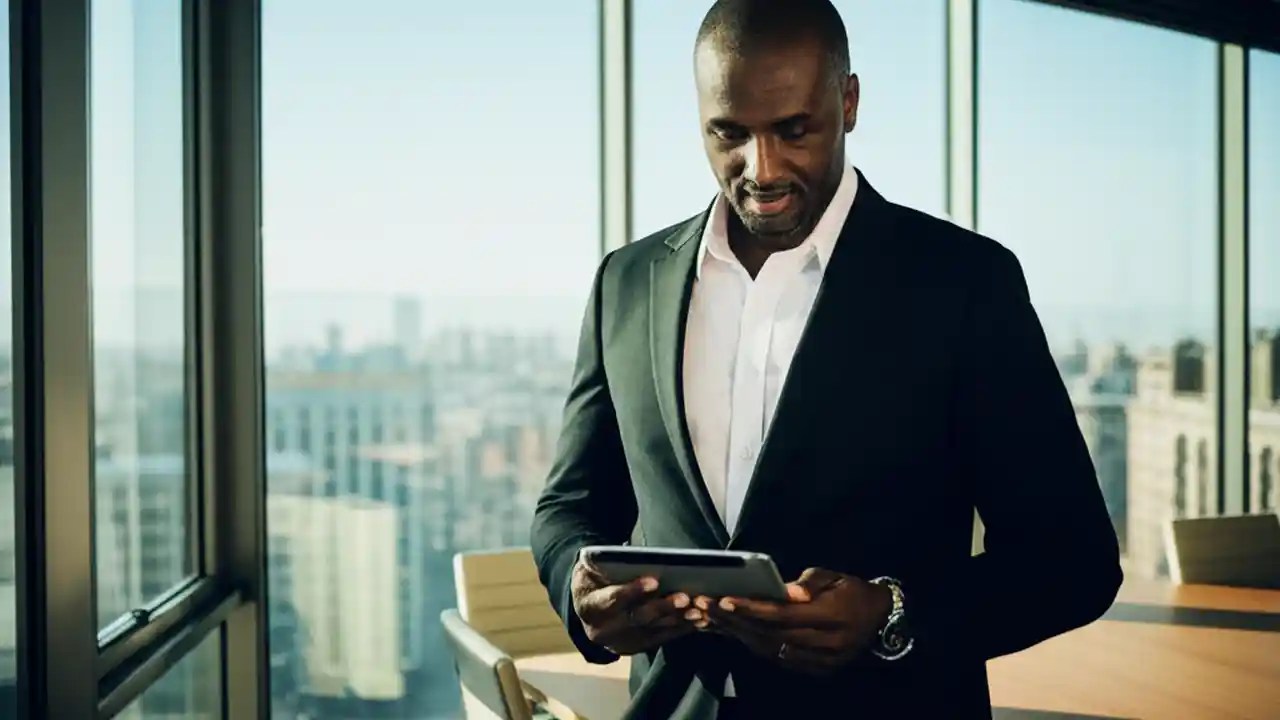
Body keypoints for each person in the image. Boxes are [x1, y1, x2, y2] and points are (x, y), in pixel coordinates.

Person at [530, 0, 1122, 716]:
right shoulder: (626, 282)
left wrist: (891, 614)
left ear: (848, 102)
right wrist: (580, 590)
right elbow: (571, 505)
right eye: (729, 134)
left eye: (793, 130)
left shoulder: (964, 283)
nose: (762, 168)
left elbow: (1074, 560)